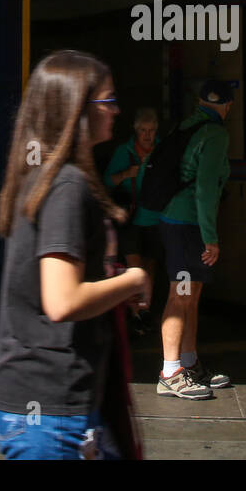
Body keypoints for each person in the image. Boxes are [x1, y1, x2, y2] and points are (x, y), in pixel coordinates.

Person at [0, 50, 150, 459]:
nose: (116, 111)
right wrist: (133, 279)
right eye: (107, 101)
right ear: (78, 108)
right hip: (49, 403)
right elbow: (61, 302)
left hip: (47, 398)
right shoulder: (66, 185)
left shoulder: (40, 177)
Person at [156, 80, 234, 400]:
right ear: (227, 106)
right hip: (187, 225)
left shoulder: (187, 126)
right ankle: (170, 371)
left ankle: (188, 362)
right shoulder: (215, 134)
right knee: (181, 294)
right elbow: (204, 190)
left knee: (191, 293)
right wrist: (210, 238)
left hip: (176, 221)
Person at [103, 107, 162, 332]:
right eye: (143, 131)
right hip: (131, 219)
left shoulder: (160, 150)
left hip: (155, 218)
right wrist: (127, 174)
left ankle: (144, 310)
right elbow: (107, 181)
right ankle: (135, 313)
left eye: (152, 130)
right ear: (136, 131)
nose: (148, 135)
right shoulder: (124, 152)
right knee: (135, 269)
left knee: (150, 269)